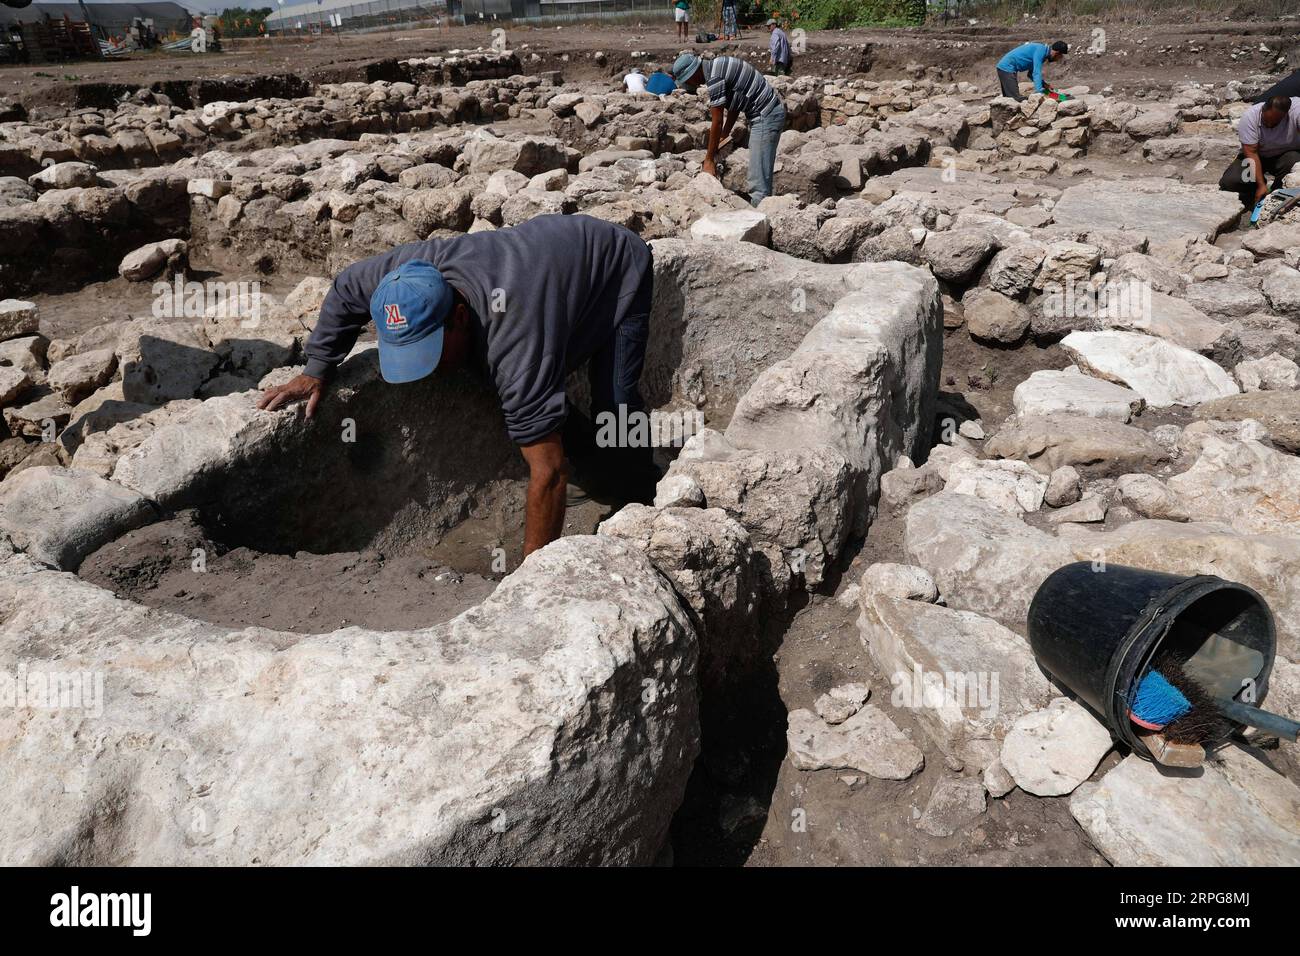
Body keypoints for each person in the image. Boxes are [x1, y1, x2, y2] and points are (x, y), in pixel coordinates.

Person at [257, 215, 656, 557]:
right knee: (529, 396)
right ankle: (593, 464)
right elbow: (346, 288)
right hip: (546, 269)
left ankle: (644, 492)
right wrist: (318, 366)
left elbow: (548, 472)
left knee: (614, 404)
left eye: (430, 350)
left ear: (461, 316)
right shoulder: (402, 280)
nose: (424, 369)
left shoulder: (513, 339)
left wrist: (532, 578)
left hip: (616, 266)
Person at [671, 52, 785, 205]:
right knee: (760, 171)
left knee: (758, 181)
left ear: (693, 73)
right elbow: (734, 106)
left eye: (689, 81)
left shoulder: (714, 78)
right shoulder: (717, 65)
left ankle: (762, 220)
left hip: (765, 115)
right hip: (766, 113)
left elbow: (717, 121)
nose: (693, 85)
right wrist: (724, 135)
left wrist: (709, 160)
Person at [1219, 94, 1300, 210]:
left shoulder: (1296, 110)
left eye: (1275, 122)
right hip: (1256, 156)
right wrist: (1261, 185)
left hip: (1285, 155)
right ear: (1263, 110)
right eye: (1267, 121)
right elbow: (1251, 153)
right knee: (1231, 181)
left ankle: (1277, 192)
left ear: (1285, 115)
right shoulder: (1250, 117)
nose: (1270, 125)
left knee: (1294, 162)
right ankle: (1254, 193)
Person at [995, 40, 1067, 101]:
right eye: (1059, 57)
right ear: (1057, 53)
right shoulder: (1041, 51)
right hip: (1007, 68)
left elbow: (1031, 74)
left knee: (1009, 99)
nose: (1058, 59)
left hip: (1006, 68)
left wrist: (1044, 85)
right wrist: (1040, 91)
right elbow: (1036, 73)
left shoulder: (1042, 52)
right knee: (1015, 99)